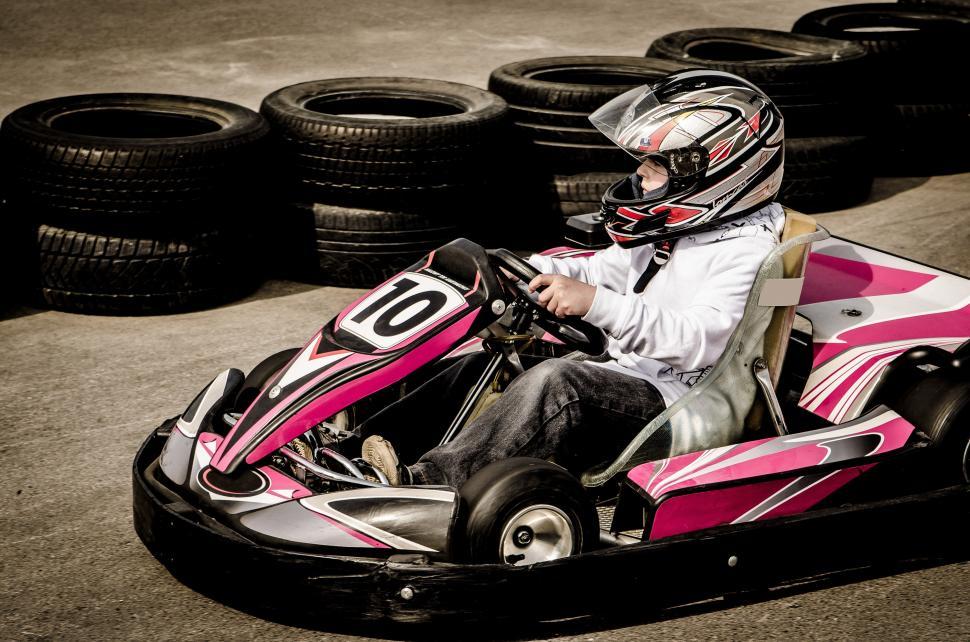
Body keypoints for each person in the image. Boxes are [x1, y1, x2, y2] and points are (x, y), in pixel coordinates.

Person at [361, 69, 787, 487]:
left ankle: (425, 485)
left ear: (716, 171)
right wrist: (524, 271)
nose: (640, 174)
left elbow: (697, 342)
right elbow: (598, 270)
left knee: (558, 383)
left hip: (685, 405)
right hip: (626, 374)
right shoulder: (679, 231)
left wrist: (595, 303)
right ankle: (359, 449)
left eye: (657, 165)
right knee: (483, 363)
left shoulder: (746, 252)